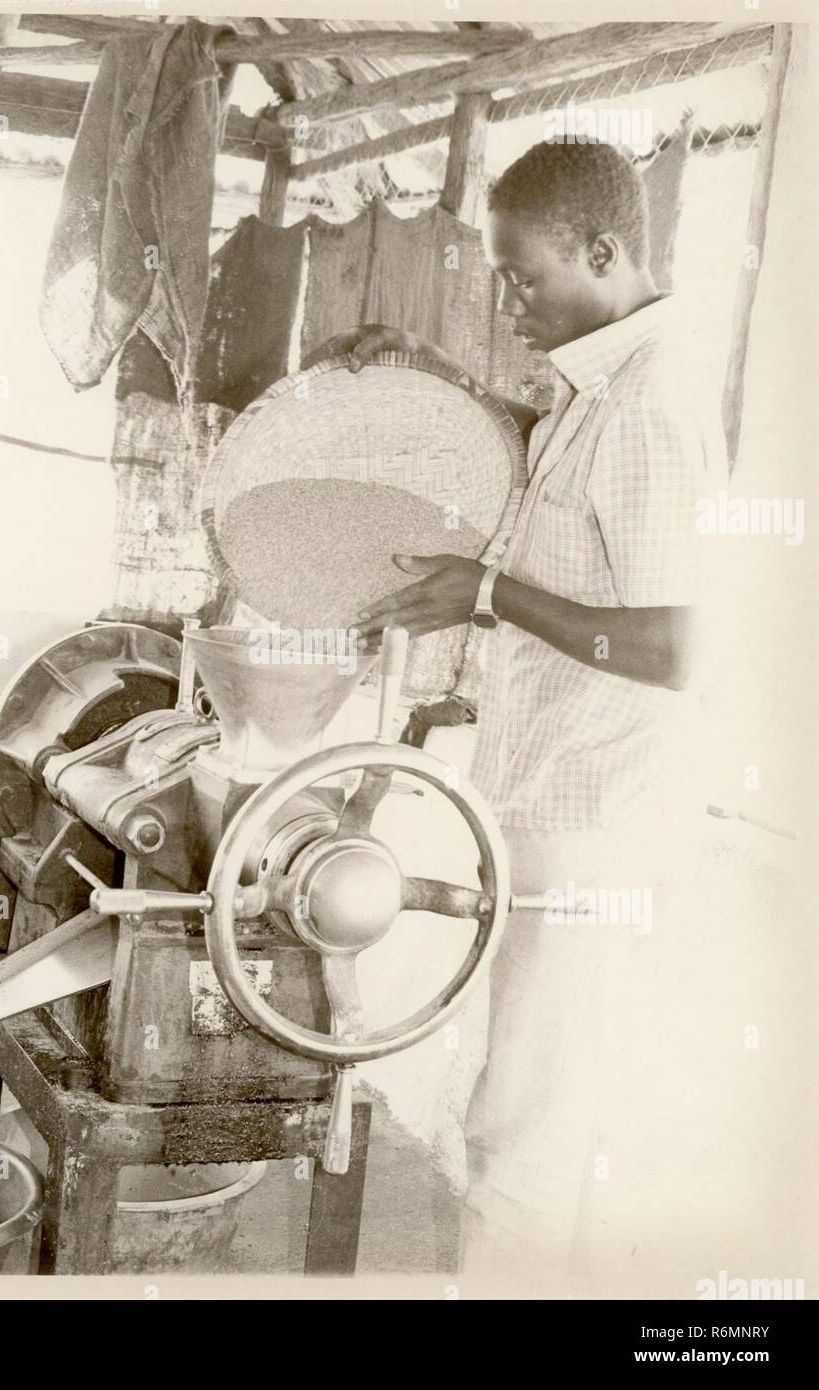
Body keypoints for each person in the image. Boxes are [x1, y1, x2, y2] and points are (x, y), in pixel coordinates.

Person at [315, 140, 726, 1296]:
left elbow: (676, 644)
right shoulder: (598, 390)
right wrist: (419, 368)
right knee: (509, 1109)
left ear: (601, 251)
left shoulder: (650, 404)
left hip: (599, 823)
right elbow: (539, 458)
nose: (508, 301)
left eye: (523, 277)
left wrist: (484, 593)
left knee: (530, 1133)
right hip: (547, 801)